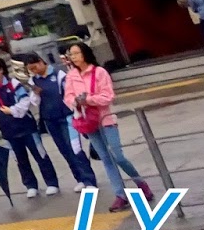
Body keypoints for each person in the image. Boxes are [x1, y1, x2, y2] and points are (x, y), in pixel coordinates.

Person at [63, 41, 155, 213]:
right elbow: (67, 97)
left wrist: (88, 99)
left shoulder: (99, 72)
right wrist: (75, 102)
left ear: (85, 53)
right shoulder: (71, 76)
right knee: (105, 158)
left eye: (76, 53)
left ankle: (140, 182)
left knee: (117, 155)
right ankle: (120, 195)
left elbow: (108, 96)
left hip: (105, 119)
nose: (73, 57)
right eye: (71, 54)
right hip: (87, 121)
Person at [0, 56, 60, 198]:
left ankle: (52, 183)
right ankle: (30, 185)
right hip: (8, 129)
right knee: (20, 159)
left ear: (1, 70)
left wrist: (12, 110)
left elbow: (25, 101)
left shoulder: (14, 83)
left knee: (40, 155)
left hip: (26, 126)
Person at [24, 54, 96, 192]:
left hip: (67, 116)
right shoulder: (33, 80)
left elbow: (69, 92)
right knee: (64, 150)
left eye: (35, 67)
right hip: (50, 119)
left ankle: (89, 179)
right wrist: (36, 93)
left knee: (74, 147)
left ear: (41, 61)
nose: (34, 71)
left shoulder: (59, 74)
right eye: (30, 70)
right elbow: (34, 103)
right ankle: (79, 178)